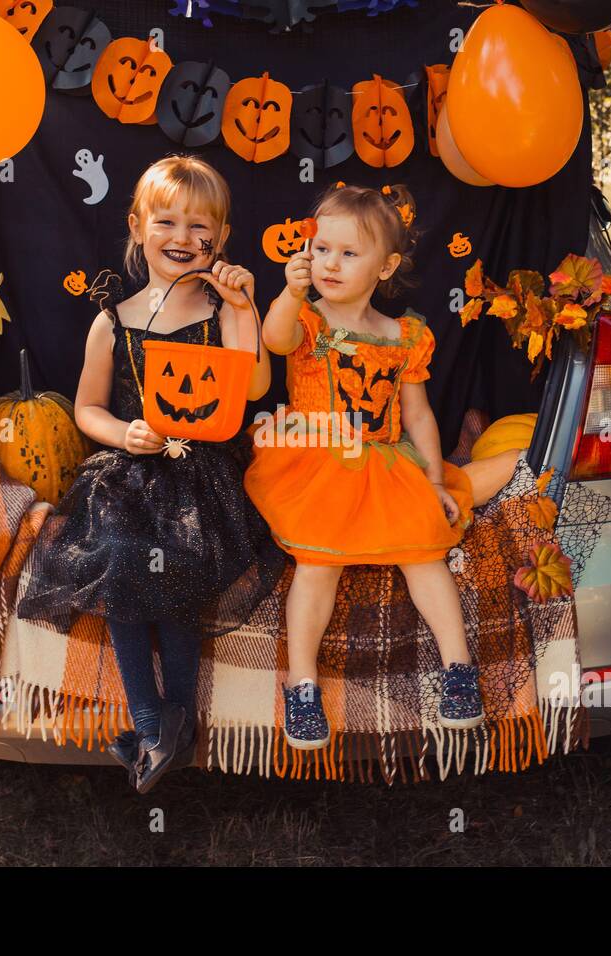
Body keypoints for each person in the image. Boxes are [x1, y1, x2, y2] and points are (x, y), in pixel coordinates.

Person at [16, 155, 285, 792]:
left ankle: (164, 730)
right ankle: (157, 722)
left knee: (182, 576)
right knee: (122, 560)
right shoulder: (112, 322)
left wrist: (244, 310)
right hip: (128, 474)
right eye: (167, 221)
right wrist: (124, 432)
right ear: (138, 227)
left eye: (202, 228)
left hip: (202, 473)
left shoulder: (224, 313)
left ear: (220, 238)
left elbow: (254, 386)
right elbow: (86, 410)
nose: (184, 238)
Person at [243, 182, 484, 750]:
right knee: (317, 565)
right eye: (322, 249)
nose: (331, 263)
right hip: (314, 458)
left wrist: (431, 481)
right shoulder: (306, 321)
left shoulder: (404, 337)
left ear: (386, 266)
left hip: (382, 462)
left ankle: (458, 670)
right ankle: (302, 686)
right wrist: (287, 292)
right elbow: (273, 341)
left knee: (424, 553)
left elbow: (419, 417)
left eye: (350, 254)